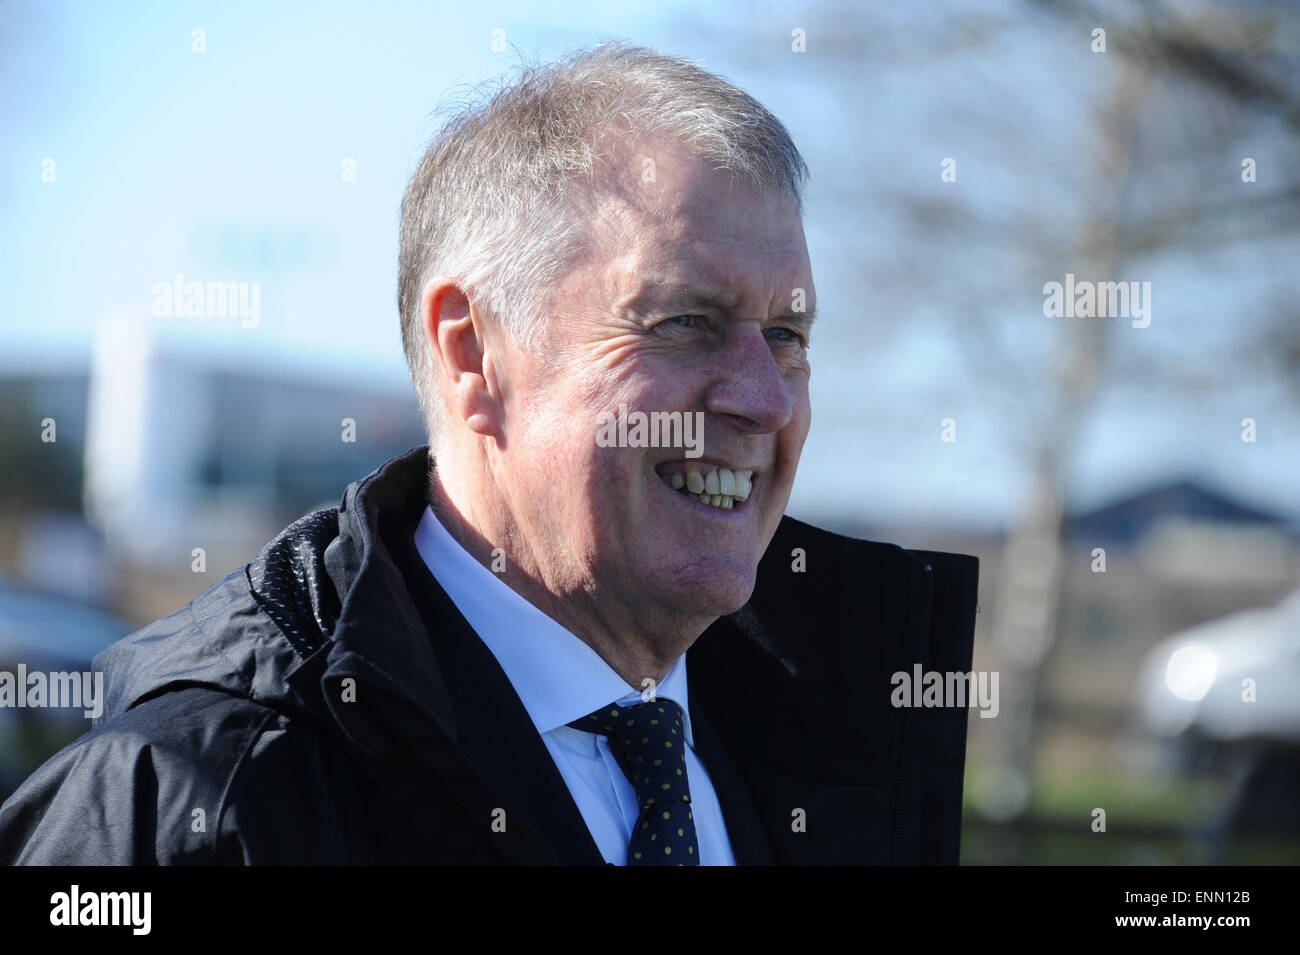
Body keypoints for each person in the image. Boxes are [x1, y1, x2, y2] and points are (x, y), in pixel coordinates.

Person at [0, 41, 978, 865]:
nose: (764, 399)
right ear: (472, 351)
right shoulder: (194, 807)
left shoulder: (831, 762)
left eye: (789, 335)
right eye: (686, 320)